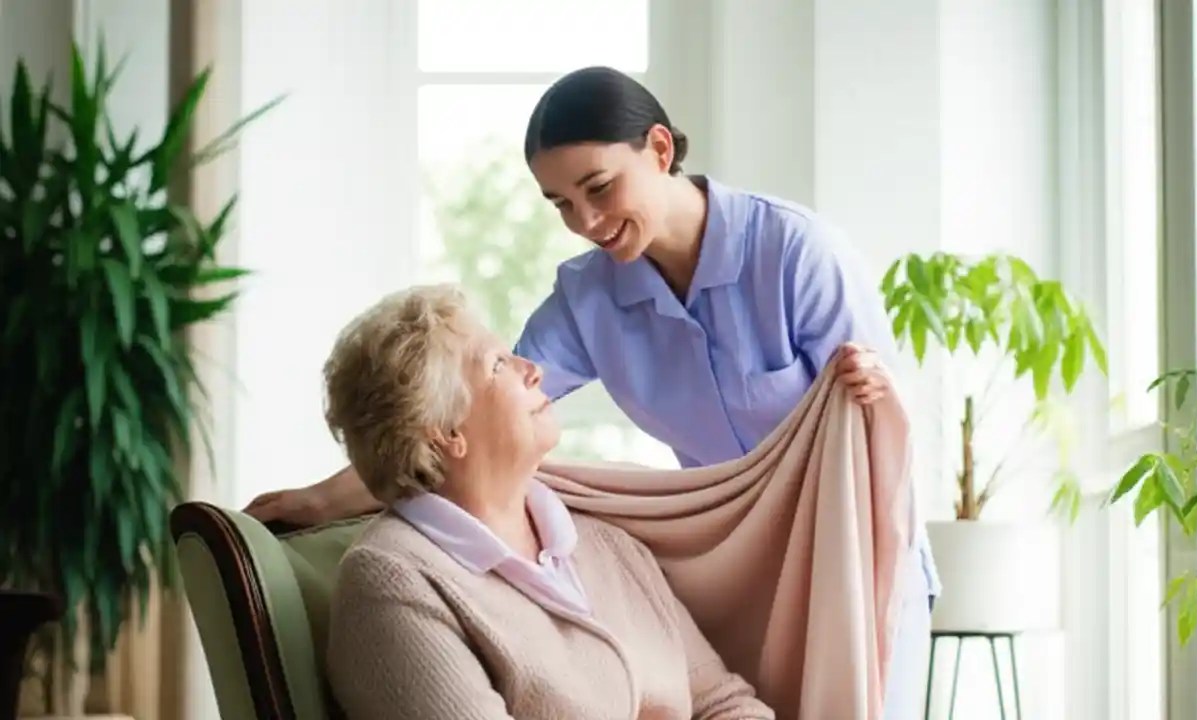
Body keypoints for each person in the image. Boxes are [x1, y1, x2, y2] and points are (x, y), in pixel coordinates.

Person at [246, 65, 938, 715]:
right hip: (738, 573)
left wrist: (881, 398)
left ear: (659, 149)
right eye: (560, 204)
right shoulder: (588, 298)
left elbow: (882, 446)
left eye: (598, 187)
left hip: (852, 560)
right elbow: (451, 423)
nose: (585, 221)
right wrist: (319, 500)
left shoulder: (796, 255)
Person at [324, 284, 774, 719]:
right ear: (445, 431)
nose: (533, 369)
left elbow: (724, 702)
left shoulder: (604, 541)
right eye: (498, 364)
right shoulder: (391, 582)